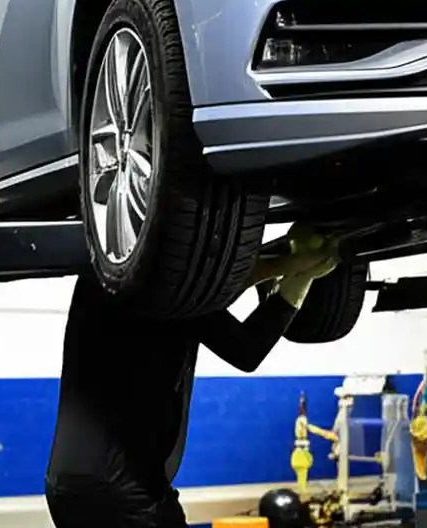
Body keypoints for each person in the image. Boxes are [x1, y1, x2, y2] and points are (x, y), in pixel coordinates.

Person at [44, 225, 340, 528]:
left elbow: (213, 294)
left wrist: (286, 266)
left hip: (65, 487)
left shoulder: (100, 278)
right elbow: (246, 350)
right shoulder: (173, 291)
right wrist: (299, 275)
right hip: (123, 489)